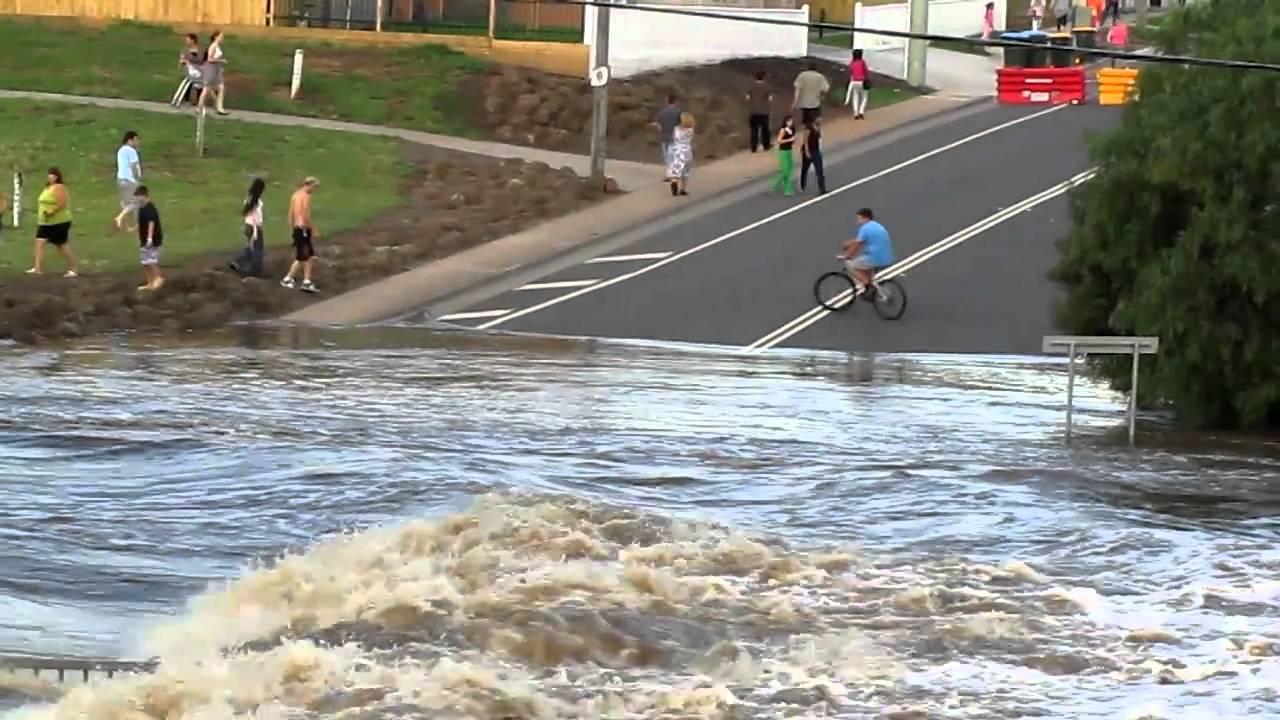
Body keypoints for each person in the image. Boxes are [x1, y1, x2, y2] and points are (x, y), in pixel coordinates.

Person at [28, 168, 77, 278]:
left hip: (59, 222)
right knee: (39, 243)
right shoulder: (47, 188)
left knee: (61, 245)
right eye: (49, 175)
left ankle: (73, 268)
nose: (50, 177)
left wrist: (51, 211)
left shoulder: (59, 187)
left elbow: (62, 203)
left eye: (53, 176)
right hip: (45, 223)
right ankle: (37, 268)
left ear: (57, 177)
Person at [839, 208, 894, 295]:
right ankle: (870, 290)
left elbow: (857, 245)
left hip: (876, 258)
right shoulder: (876, 225)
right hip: (886, 256)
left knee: (852, 266)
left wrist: (846, 256)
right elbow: (860, 240)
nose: (858, 221)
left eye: (859, 218)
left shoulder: (865, 228)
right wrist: (850, 243)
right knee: (864, 266)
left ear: (866, 218)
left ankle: (867, 285)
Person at [281, 177, 319, 293]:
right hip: (303, 229)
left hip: (297, 229)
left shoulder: (295, 195)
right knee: (302, 257)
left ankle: (307, 281)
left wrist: (293, 228)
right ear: (309, 184)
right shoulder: (306, 197)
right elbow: (305, 216)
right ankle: (288, 279)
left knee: (308, 256)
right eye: (314, 186)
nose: (314, 189)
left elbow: (290, 214)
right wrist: (313, 229)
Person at [230, 177, 266, 277]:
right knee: (258, 249)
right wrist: (255, 231)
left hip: (248, 226)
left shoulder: (249, 199)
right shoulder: (255, 201)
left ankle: (238, 262)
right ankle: (255, 270)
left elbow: (247, 214)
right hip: (254, 227)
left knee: (250, 247)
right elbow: (254, 217)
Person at [132, 186, 165, 291]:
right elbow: (142, 223)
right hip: (144, 239)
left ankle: (159, 278)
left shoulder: (150, 208)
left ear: (144, 196)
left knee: (150, 261)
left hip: (152, 239)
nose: (137, 199)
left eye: (138, 197)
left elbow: (151, 223)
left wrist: (150, 238)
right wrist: (133, 228)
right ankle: (150, 283)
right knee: (145, 262)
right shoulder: (142, 209)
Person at [113, 130, 142, 231]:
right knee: (136, 202)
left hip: (120, 179)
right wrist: (137, 178)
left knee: (126, 204)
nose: (137, 142)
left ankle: (129, 226)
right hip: (129, 179)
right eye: (135, 140)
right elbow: (134, 165)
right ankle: (119, 218)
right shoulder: (131, 150)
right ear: (129, 140)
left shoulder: (121, 150)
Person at [198, 30, 230, 116]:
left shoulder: (218, 46)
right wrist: (221, 60)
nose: (222, 38)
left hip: (216, 69)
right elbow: (210, 59)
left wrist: (220, 65)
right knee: (207, 89)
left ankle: (220, 108)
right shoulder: (213, 46)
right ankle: (199, 107)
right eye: (221, 37)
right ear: (216, 37)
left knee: (221, 87)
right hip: (210, 69)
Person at [667, 113, 695, 197]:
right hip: (686, 151)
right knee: (685, 171)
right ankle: (682, 189)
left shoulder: (676, 129)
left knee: (675, 169)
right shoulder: (690, 130)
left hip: (676, 150)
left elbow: (674, 138)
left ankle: (674, 182)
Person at [745, 71, 773, 153]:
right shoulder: (767, 86)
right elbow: (770, 98)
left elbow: (747, 98)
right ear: (764, 77)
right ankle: (766, 146)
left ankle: (753, 147)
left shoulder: (751, 86)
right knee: (765, 129)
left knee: (754, 130)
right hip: (764, 111)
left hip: (753, 111)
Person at [654, 94, 681, 174]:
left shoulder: (661, 113)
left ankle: (669, 173)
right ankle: (674, 172)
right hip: (674, 137)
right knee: (674, 156)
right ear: (675, 102)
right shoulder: (678, 112)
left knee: (667, 157)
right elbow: (680, 125)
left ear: (667, 102)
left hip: (664, 137)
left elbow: (659, 127)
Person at [770, 115, 796, 197]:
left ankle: (788, 190)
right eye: (789, 121)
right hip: (783, 152)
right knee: (785, 171)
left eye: (791, 121)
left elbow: (792, 140)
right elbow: (779, 140)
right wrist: (789, 140)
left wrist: (793, 141)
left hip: (789, 150)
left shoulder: (792, 130)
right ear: (786, 122)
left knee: (789, 170)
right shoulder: (783, 130)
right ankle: (774, 185)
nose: (791, 123)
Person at [800, 118, 827, 195]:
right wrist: (807, 152)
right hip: (809, 151)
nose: (820, 122)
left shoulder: (818, 129)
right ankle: (803, 184)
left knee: (819, 169)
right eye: (819, 120)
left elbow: (818, 140)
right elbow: (805, 141)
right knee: (805, 168)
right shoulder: (809, 128)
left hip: (816, 150)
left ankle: (822, 189)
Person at [178, 33, 203, 107]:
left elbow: (201, 60)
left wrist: (193, 57)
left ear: (193, 40)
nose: (187, 41)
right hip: (188, 69)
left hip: (198, 70)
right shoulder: (185, 50)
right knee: (187, 82)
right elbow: (182, 59)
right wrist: (184, 61)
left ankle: (199, 100)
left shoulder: (199, 50)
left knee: (199, 84)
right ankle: (186, 100)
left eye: (188, 40)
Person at [845, 49, 870, 120]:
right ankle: (861, 111)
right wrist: (867, 78)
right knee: (864, 97)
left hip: (854, 81)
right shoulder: (862, 62)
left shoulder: (852, 62)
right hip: (862, 81)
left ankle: (855, 113)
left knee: (855, 97)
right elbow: (865, 71)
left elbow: (850, 70)